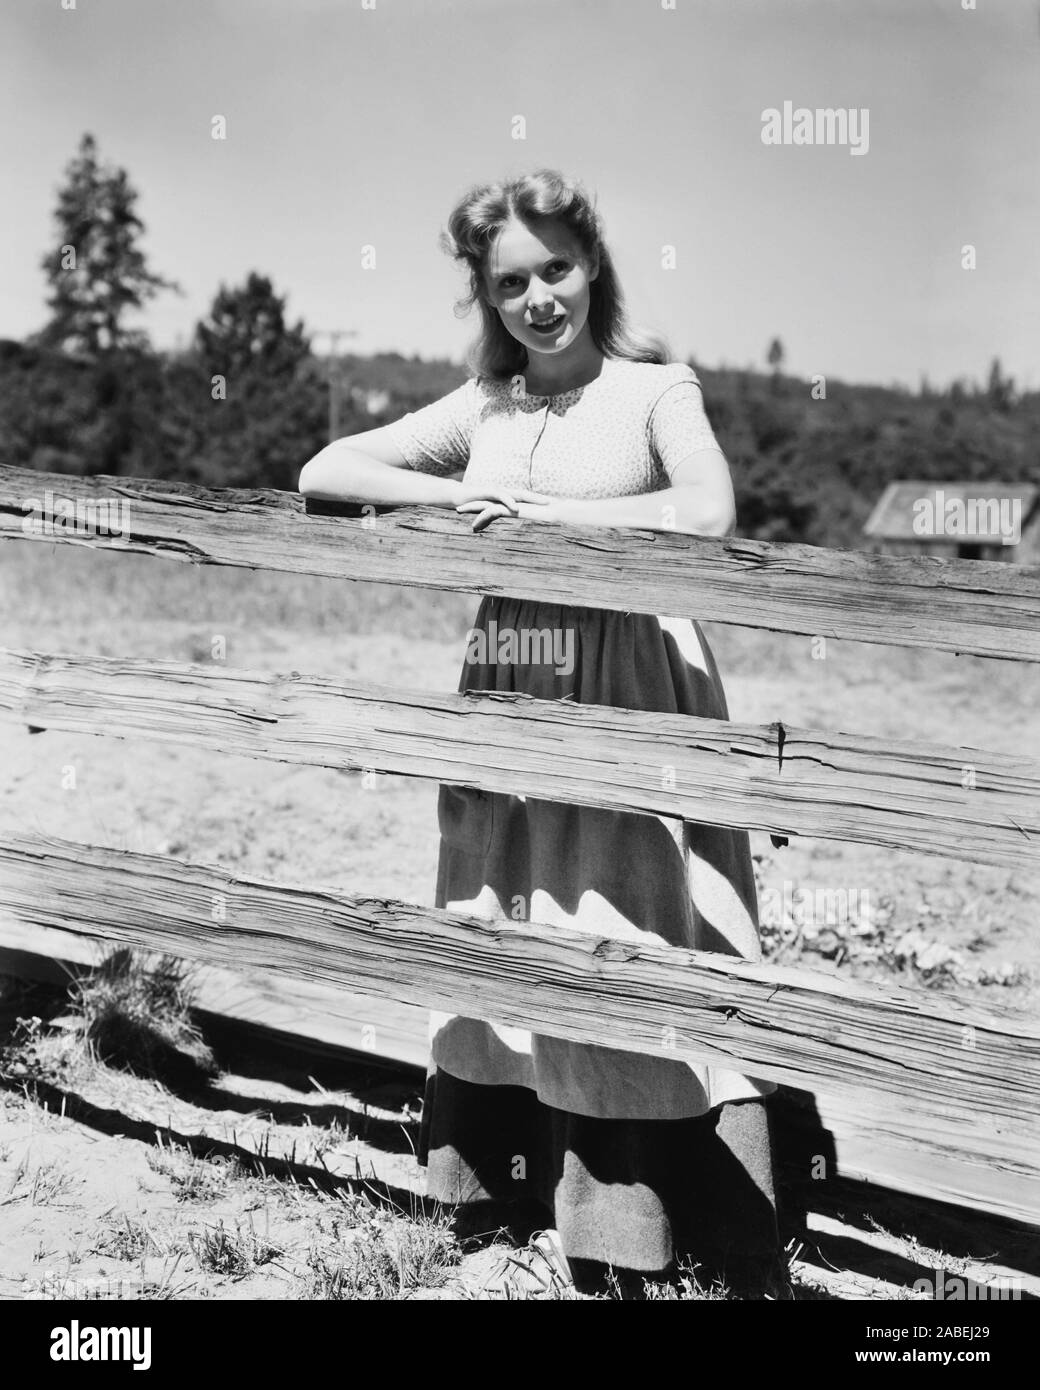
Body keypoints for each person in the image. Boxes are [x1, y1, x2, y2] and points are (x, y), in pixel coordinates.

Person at [299, 169, 785, 1299]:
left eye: (554, 268)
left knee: (626, 911)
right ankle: (496, 1178)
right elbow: (327, 472)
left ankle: (643, 1209)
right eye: (509, 281)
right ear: (487, 294)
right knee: (504, 901)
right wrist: (456, 502)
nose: (537, 299)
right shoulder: (487, 408)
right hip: (512, 682)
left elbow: (708, 512)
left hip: (630, 682)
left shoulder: (655, 389)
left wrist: (549, 519)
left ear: (593, 264)